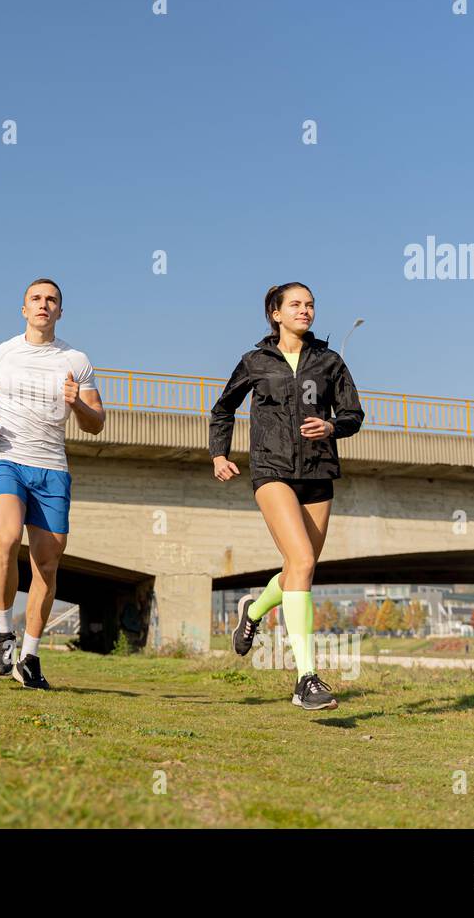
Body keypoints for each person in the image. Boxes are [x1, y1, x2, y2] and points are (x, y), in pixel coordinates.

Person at [209, 284, 364, 710]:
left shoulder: (329, 362)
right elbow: (223, 408)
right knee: (302, 561)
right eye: (295, 304)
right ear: (275, 314)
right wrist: (219, 454)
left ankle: (254, 612)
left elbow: (354, 414)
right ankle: (306, 679)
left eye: (310, 304)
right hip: (272, 470)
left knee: (301, 569)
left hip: (319, 473)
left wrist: (332, 427)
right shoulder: (255, 361)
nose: (306, 310)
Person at [0, 278, 105, 690]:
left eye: (52, 300)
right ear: (24, 309)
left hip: (51, 469)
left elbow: (96, 423)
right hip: (6, 458)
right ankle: (3, 633)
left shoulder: (76, 359)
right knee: (6, 539)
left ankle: (30, 656)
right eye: (36, 299)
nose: (44, 305)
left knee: (47, 563)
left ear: (60, 311)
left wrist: (77, 402)